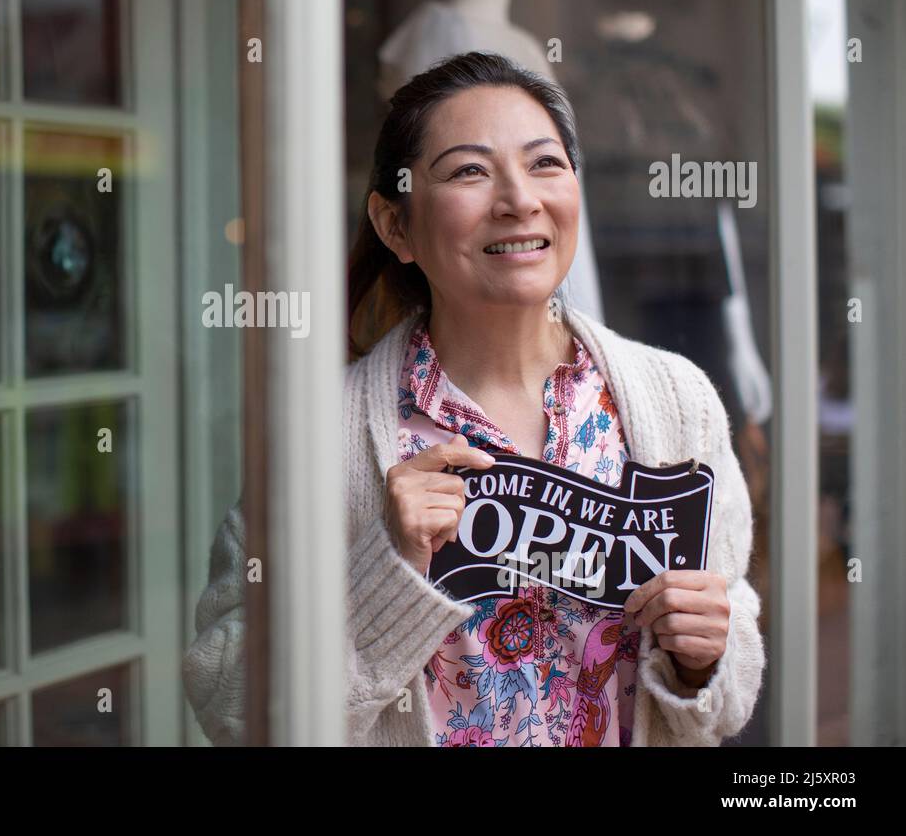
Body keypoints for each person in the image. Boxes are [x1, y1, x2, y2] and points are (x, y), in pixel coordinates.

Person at [183, 51, 764, 746]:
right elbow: (228, 703)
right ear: (395, 226)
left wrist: (704, 661)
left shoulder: (675, 401)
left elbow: (729, 686)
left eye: (545, 163)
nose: (520, 199)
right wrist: (384, 573)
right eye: (469, 171)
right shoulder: (321, 437)